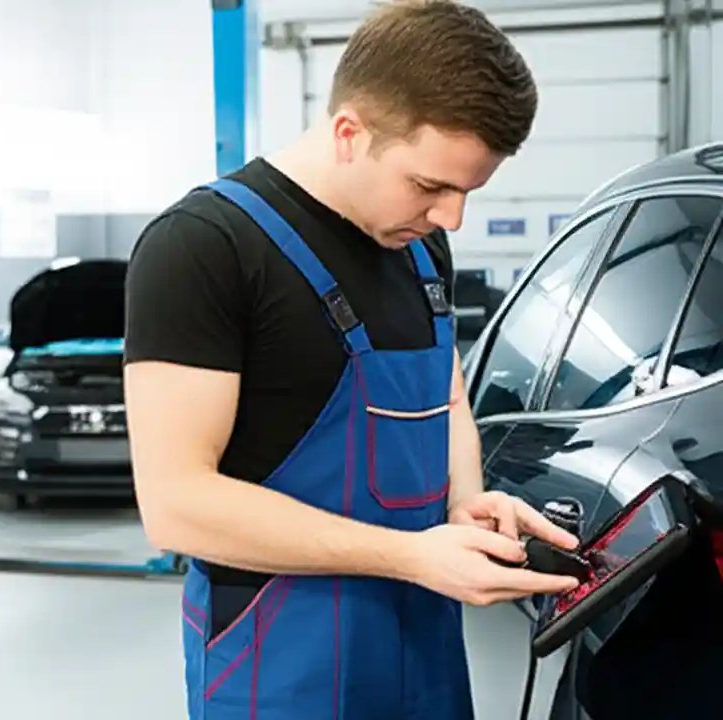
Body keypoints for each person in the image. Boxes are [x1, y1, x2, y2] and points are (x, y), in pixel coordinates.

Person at [123, 2, 583, 717]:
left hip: (424, 640)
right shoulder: (203, 248)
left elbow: (446, 392)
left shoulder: (420, 246)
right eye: (431, 185)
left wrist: (464, 501)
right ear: (349, 133)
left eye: (468, 191)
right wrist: (408, 554)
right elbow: (177, 505)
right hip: (278, 657)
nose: (451, 218)